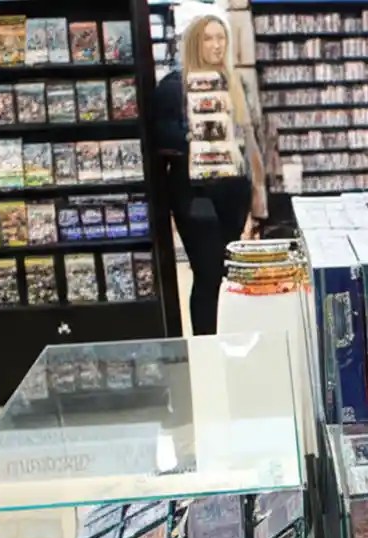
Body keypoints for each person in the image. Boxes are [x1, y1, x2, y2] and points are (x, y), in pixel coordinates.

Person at [154, 14, 263, 335]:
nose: (216, 45)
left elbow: (247, 139)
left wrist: (257, 190)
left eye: (221, 38)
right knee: (207, 270)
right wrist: (197, 138)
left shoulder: (234, 83)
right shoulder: (173, 87)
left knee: (229, 270)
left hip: (233, 189)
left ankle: (229, 338)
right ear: (193, 43)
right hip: (194, 193)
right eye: (208, 38)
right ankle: (206, 343)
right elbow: (163, 140)